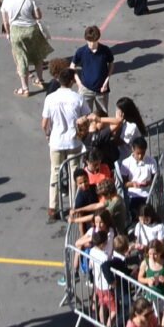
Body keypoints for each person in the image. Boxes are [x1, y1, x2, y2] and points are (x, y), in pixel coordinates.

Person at [0, 0, 55, 95]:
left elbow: (5, 19)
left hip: (16, 27)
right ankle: (34, 76)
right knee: (34, 55)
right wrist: (17, 11)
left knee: (21, 54)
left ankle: (24, 86)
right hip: (28, 25)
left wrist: (8, 11)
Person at [42, 65, 93, 224]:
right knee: (74, 173)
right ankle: (73, 206)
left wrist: (48, 134)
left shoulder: (50, 98)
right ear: (71, 81)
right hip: (73, 140)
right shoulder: (77, 98)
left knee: (55, 172)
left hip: (56, 141)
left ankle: (53, 207)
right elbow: (87, 116)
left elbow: (44, 123)